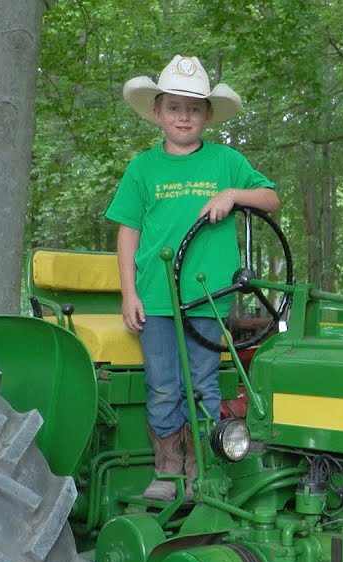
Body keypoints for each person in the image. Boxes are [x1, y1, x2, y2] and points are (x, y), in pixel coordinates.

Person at [105, 55, 279, 500]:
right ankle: (168, 471)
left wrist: (234, 194)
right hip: (158, 298)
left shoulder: (226, 162)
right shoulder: (143, 168)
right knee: (163, 386)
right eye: (175, 108)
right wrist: (129, 294)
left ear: (207, 116)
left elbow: (271, 199)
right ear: (159, 113)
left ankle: (204, 470)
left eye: (194, 108)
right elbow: (128, 233)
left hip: (208, 299)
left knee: (203, 384)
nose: (184, 116)